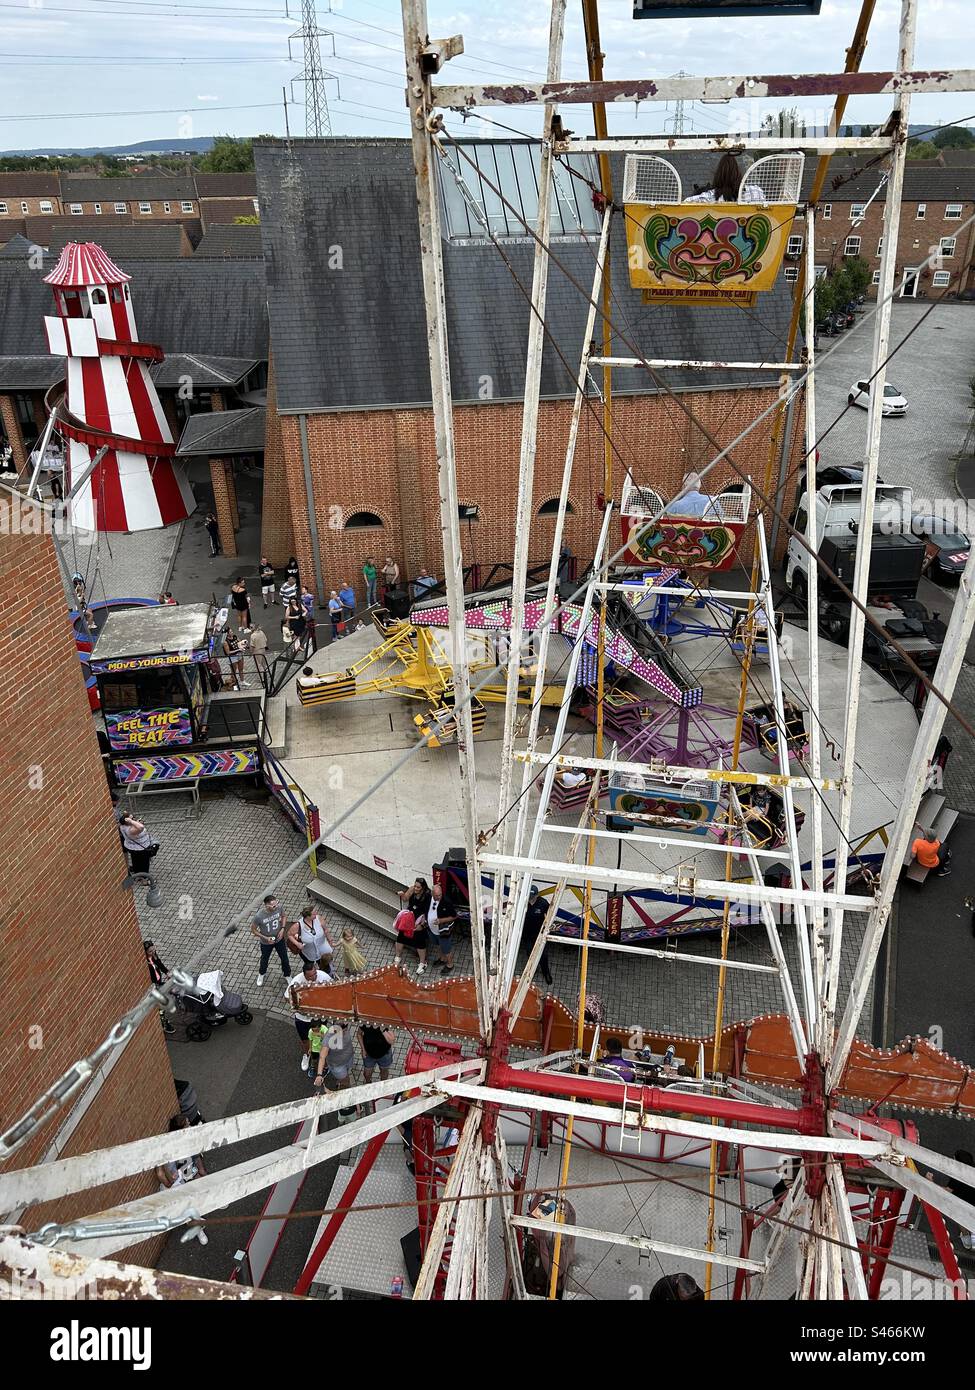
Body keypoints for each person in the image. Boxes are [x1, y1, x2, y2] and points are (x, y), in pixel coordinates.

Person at [286, 960, 331, 1072]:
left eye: (315, 973)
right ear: (304, 975)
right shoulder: (296, 982)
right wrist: (299, 1008)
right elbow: (287, 997)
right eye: (311, 976)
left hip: (319, 1017)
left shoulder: (324, 976)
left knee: (321, 1036)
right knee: (305, 1039)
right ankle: (307, 1055)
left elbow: (333, 991)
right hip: (303, 1019)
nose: (315, 977)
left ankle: (322, 1055)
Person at [314, 1019, 358, 1117]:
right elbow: (322, 1057)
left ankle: (339, 1083)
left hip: (348, 1059)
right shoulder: (329, 1038)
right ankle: (344, 1095)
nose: (346, 1031)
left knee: (346, 1075)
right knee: (346, 1080)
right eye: (344, 1030)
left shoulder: (345, 1027)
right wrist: (319, 1075)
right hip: (338, 1066)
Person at [685, 152, 765, 204]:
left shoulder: (709, 198)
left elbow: (686, 202)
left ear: (718, 176)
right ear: (739, 174)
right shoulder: (756, 192)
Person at [252, 892, 291, 987]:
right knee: (264, 959)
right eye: (273, 906)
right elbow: (253, 930)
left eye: (276, 904)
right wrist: (266, 938)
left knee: (284, 958)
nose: (276, 907)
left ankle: (287, 974)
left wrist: (282, 928)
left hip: (279, 939)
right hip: (266, 942)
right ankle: (261, 974)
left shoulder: (279, 908)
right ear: (266, 905)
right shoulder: (259, 916)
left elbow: (284, 916)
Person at [156, 1115, 206, 1189]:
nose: (189, 1125)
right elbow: (171, 1177)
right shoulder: (172, 1147)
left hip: (187, 1170)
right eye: (187, 1124)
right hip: (184, 1172)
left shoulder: (182, 1139)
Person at [288, 903, 334, 973]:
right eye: (313, 914)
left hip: (322, 949)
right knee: (310, 966)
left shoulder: (318, 918)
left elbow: (325, 929)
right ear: (307, 916)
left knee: (325, 965)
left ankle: (326, 974)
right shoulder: (298, 925)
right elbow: (289, 935)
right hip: (308, 952)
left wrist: (329, 938)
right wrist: (297, 944)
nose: (316, 914)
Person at [522, 884, 553, 986]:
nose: (530, 899)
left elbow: (549, 916)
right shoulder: (523, 902)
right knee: (530, 953)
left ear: (537, 895)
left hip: (539, 934)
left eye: (532, 897)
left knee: (543, 955)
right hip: (527, 934)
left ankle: (546, 972)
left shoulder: (543, 903)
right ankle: (532, 970)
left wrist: (548, 927)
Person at [427, 882, 458, 976]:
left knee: (446, 948)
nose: (439, 897)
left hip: (443, 930)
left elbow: (454, 916)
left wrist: (441, 920)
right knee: (438, 945)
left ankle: (450, 964)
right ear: (432, 894)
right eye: (436, 895)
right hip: (432, 929)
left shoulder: (446, 901)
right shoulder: (429, 898)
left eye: (440, 895)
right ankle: (442, 959)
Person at [119, 809, 156, 876]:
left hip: (134, 848)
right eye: (132, 818)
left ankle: (137, 873)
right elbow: (141, 827)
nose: (134, 819)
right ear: (128, 822)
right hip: (140, 849)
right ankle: (144, 878)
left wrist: (135, 822)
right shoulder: (130, 830)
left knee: (136, 861)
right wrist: (134, 822)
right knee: (144, 864)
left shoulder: (124, 826)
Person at [392, 908, 428, 975]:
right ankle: (397, 957)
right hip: (409, 919)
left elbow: (428, 913)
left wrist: (422, 925)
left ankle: (422, 962)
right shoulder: (413, 898)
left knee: (420, 941)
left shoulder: (426, 899)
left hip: (419, 923)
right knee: (400, 936)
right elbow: (406, 900)